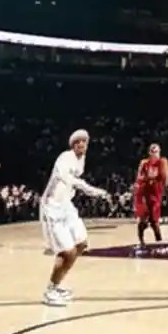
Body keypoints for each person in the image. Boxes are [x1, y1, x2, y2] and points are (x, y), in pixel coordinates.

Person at [41, 129, 109, 307]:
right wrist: (91, 190)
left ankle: (58, 283)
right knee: (67, 252)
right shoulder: (65, 157)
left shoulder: (82, 161)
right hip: (53, 208)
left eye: (84, 142)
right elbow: (67, 178)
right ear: (72, 145)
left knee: (81, 244)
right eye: (77, 142)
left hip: (67, 207)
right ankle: (50, 290)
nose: (81, 144)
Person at [134, 143, 168, 247]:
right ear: (149, 152)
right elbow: (139, 177)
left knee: (154, 220)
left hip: (156, 195)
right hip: (144, 194)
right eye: (152, 152)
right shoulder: (144, 163)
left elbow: (164, 178)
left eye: (156, 152)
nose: (154, 154)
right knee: (142, 219)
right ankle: (141, 240)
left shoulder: (163, 162)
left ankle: (159, 240)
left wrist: (150, 179)